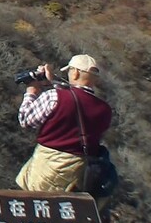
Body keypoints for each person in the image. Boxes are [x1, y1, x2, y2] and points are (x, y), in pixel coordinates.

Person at [15, 53, 112, 193]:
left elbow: (26, 120)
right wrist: (52, 81)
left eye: (69, 71)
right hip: (80, 170)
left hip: (48, 165)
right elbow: (76, 98)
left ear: (76, 73)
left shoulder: (53, 96)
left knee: (36, 207)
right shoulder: (105, 109)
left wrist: (31, 92)